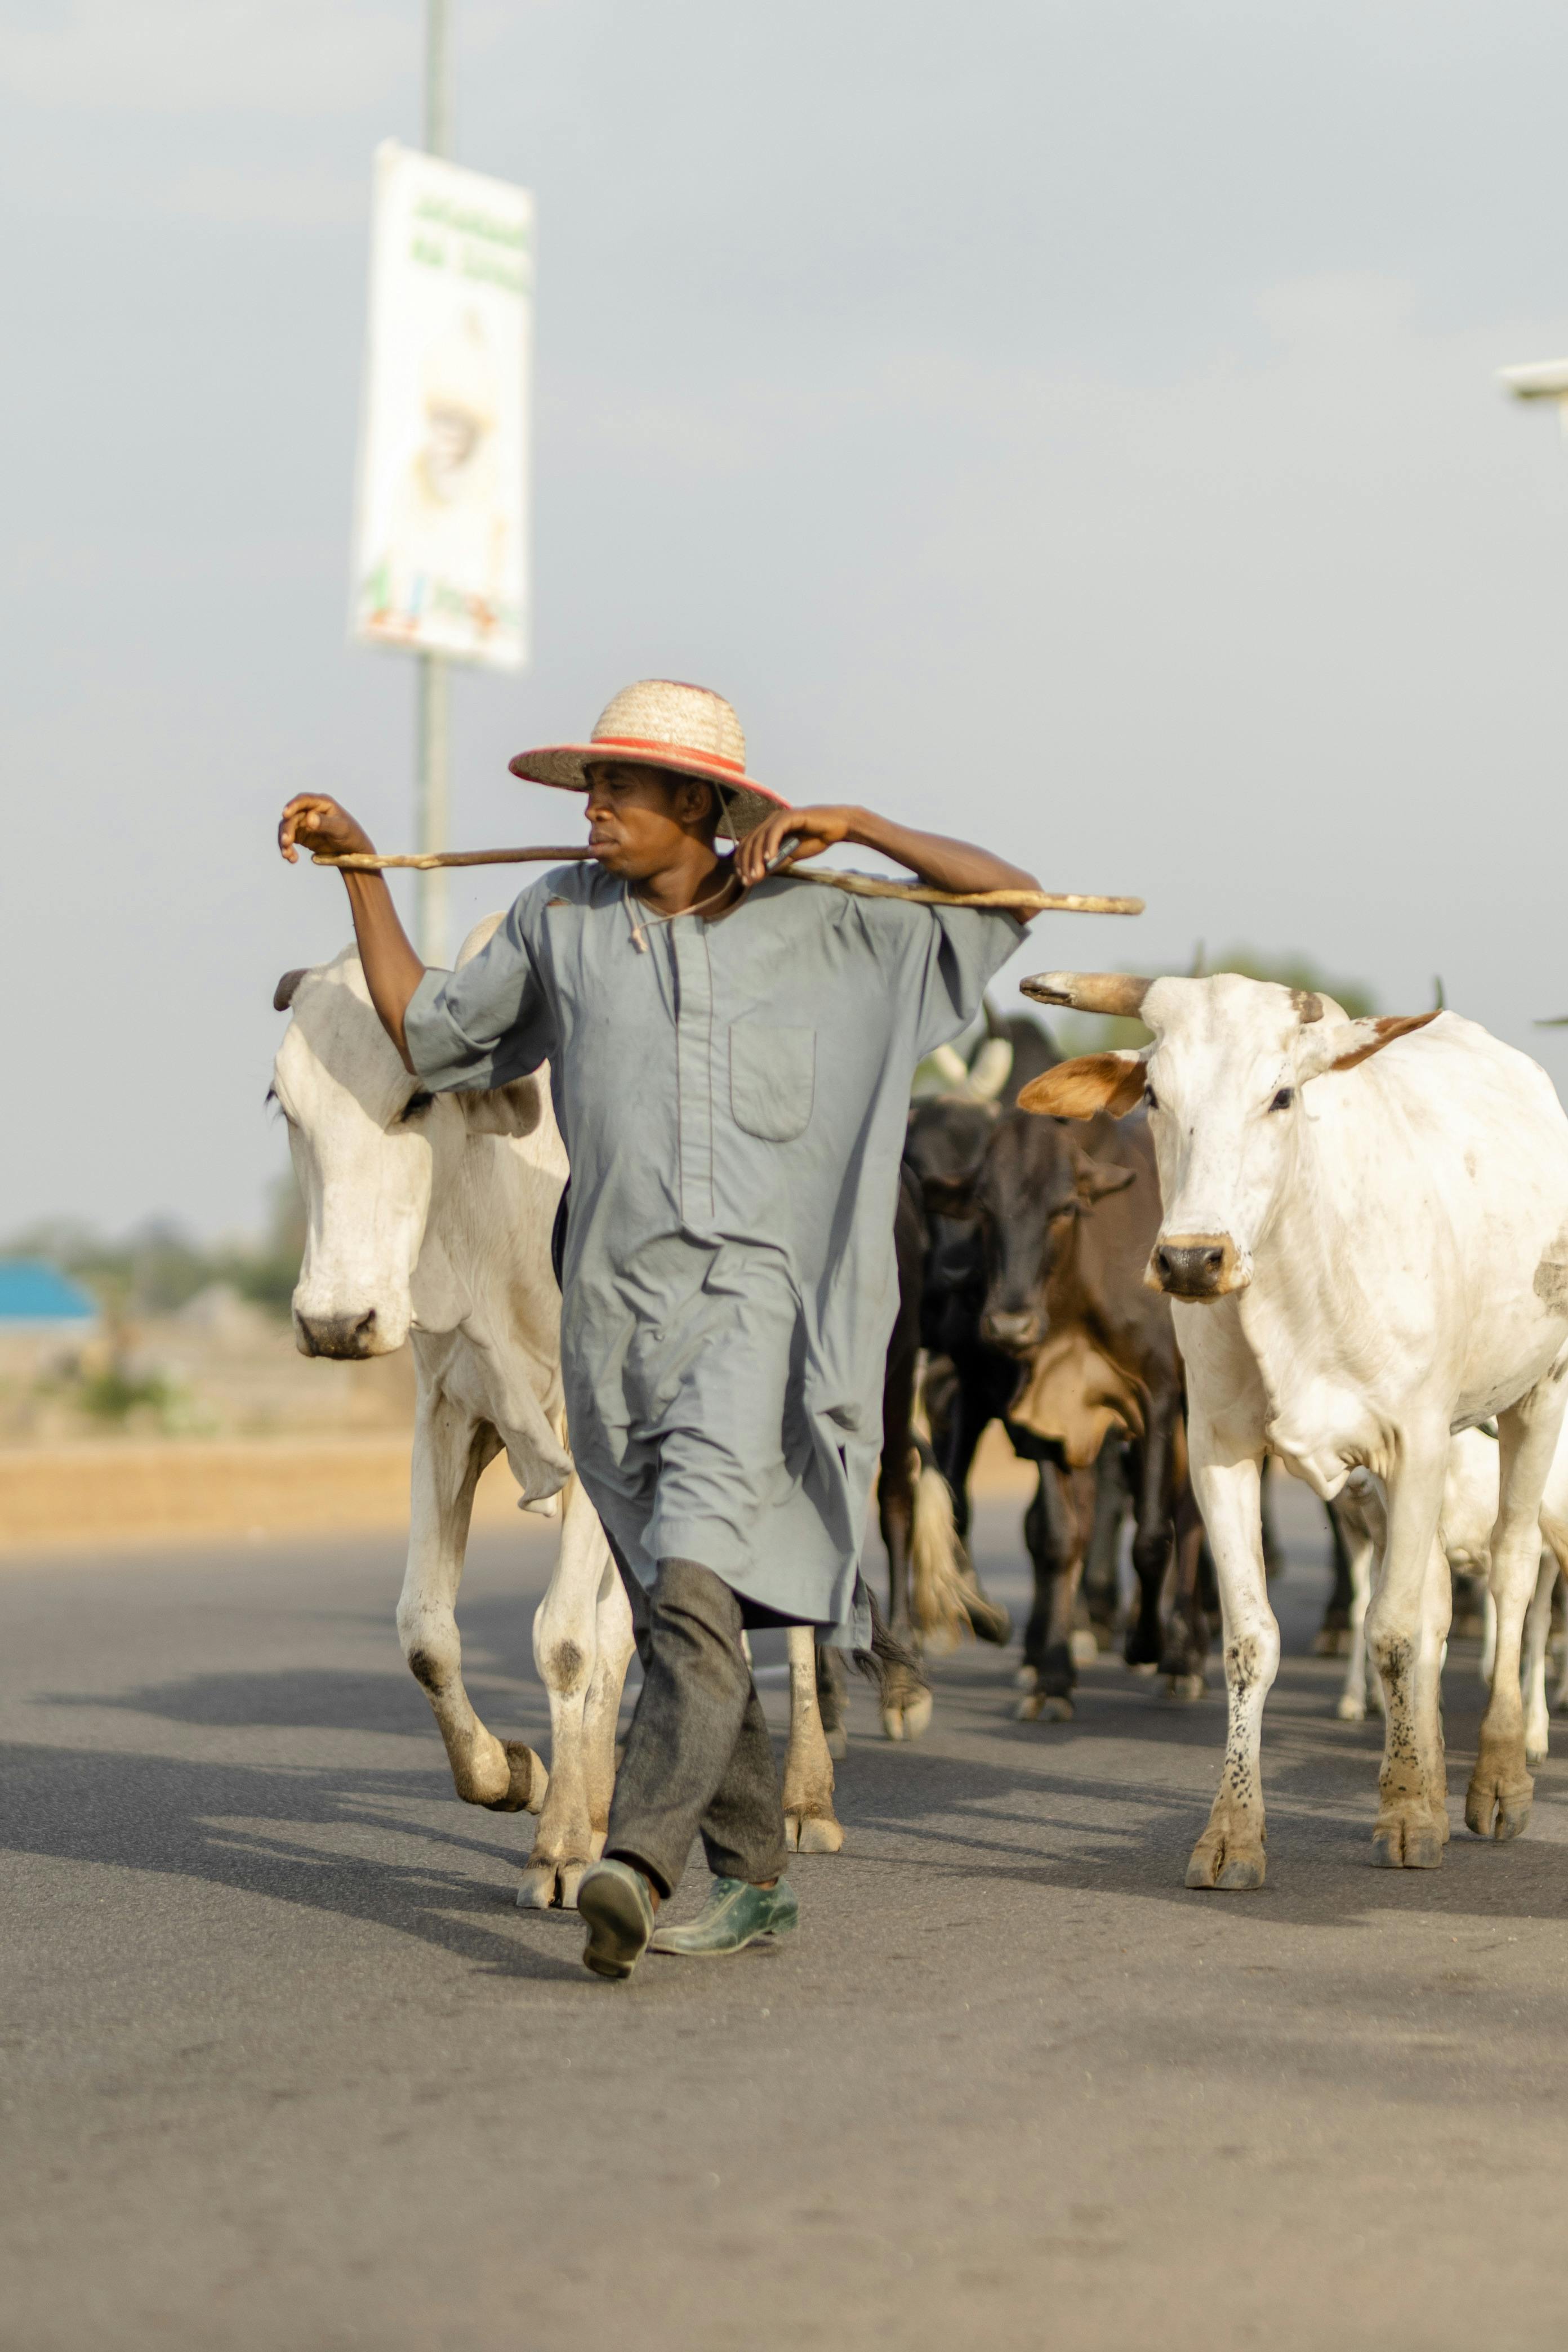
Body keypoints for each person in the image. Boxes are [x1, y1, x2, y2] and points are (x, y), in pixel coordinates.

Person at [278, 678, 1036, 1982]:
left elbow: (1009, 903)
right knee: (700, 1604)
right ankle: (752, 1882)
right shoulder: (560, 923)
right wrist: (360, 877)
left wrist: (866, 827)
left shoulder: (839, 931)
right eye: (588, 789)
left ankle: (635, 1859)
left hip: (762, 1316)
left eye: (618, 789)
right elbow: (434, 1031)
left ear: (703, 805)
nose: (593, 811)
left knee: (689, 1578)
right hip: (613, 1325)